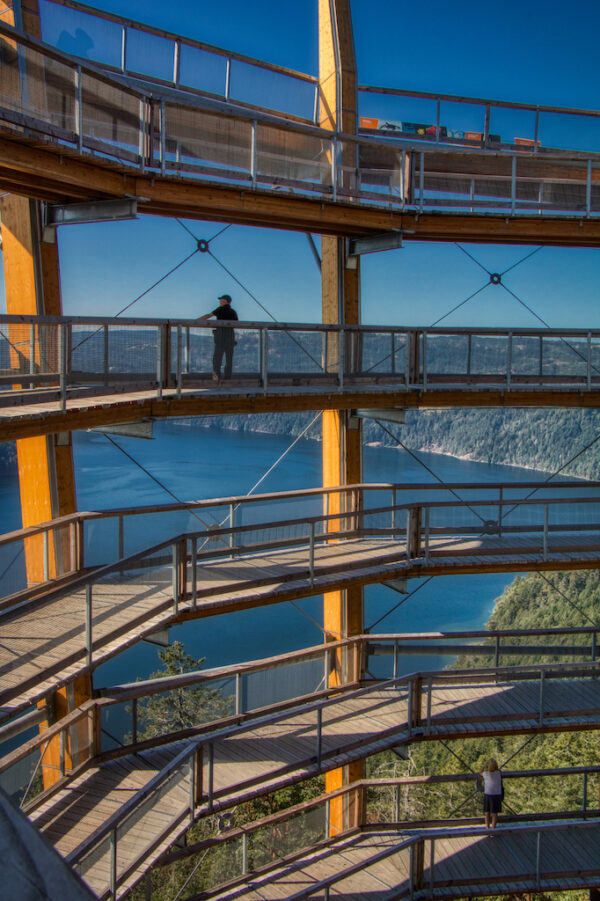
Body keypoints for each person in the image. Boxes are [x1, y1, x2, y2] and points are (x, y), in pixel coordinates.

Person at [199, 294, 238, 381]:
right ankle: (228, 378)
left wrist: (196, 321)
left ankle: (216, 377)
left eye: (221, 300)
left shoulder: (220, 309)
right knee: (229, 359)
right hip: (230, 337)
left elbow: (208, 316)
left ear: (225, 301)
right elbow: (236, 323)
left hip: (220, 337)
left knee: (217, 358)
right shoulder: (233, 312)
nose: (220, 302)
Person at [479, 758, 503, 829]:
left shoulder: (486, 774)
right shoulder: (498, 773)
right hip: (497, 794)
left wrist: (484, 765)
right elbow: (499, 770)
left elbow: (480, 772)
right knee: (494, 813)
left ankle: (487, 827)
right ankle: (493, 828)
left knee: (487, 812)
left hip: (488, 794)